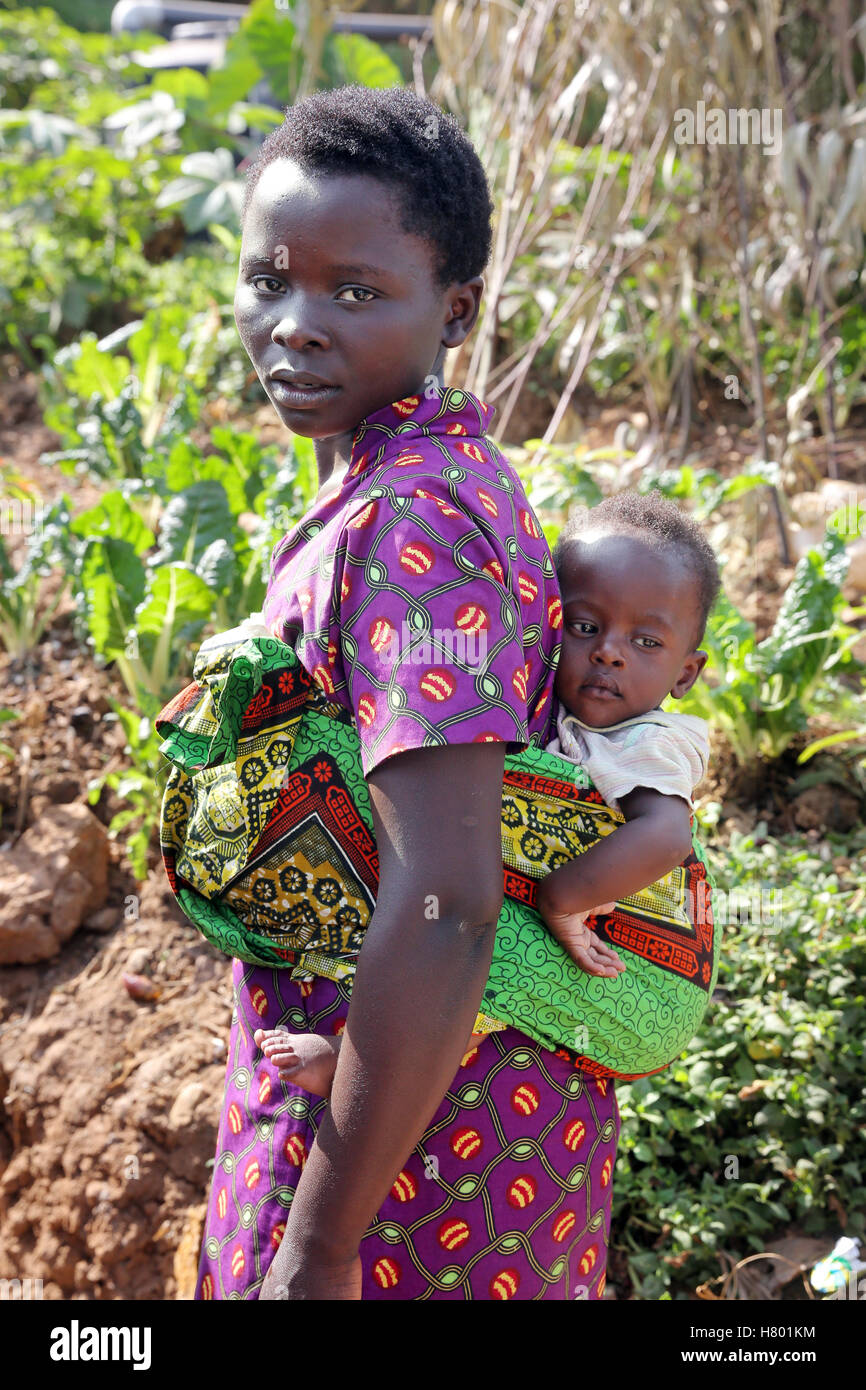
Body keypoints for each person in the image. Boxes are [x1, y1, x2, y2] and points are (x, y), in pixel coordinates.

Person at [191, 84, 619, 1303]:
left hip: (405, 1167)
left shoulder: (408, 518)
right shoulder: (424, 473)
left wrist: (315, 1253)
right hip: (427, 1110)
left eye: (355, 291)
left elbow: (444, 904)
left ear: (457, 310)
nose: (294, 325)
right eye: (269, 278)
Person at [256, 490, 721, 1095]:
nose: (608, 651)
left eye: (647, 643)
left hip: (607, 945)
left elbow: (665, 834)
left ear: (686, 673)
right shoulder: (554, 713)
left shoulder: (649, 742)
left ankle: (354, 1061)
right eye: (586, 627)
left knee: (472, 960)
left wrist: (561, 898)